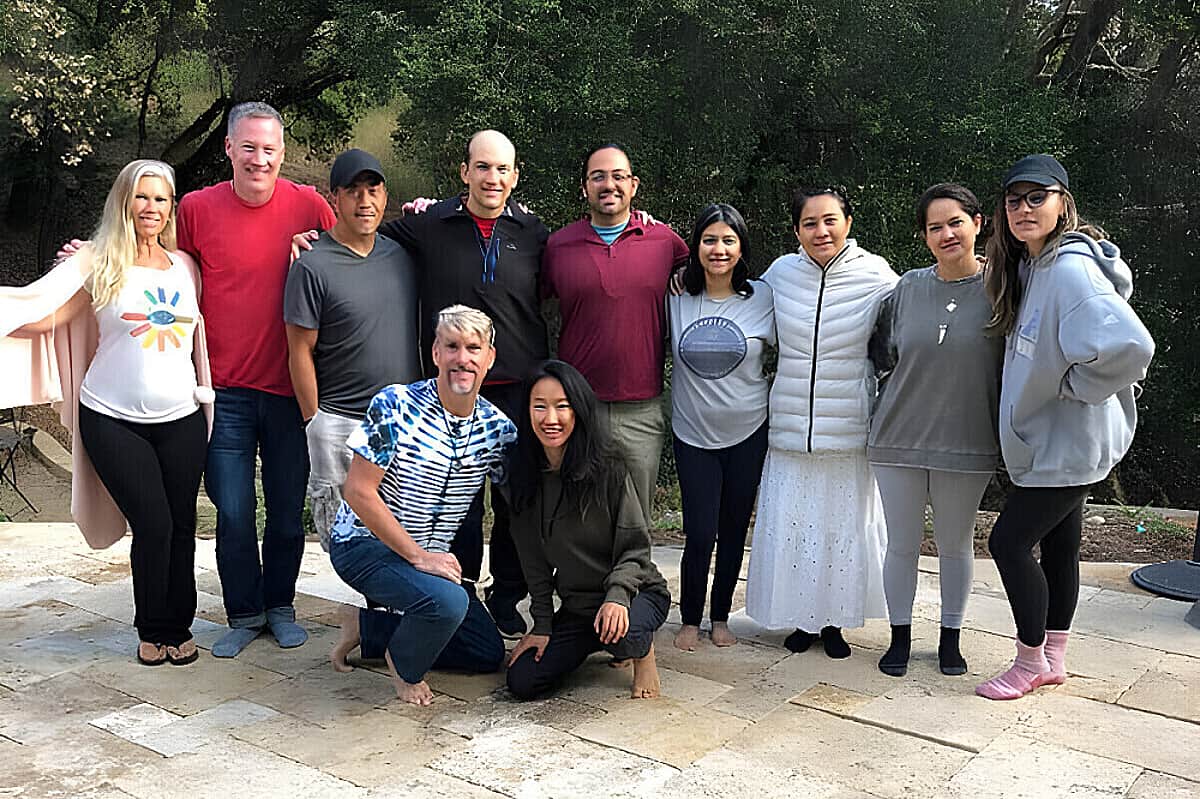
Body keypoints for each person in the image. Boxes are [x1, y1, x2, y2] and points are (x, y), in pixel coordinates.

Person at [299, 130, 547, 636]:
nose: (491, 178)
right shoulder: (427, 225)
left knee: (514, 499)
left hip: (515, 389)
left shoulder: (538, 236)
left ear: (515, 176)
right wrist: (314, 238)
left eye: (502, 169)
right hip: (448, 386)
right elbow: (360, 232)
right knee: (455, 497)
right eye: (481, 167)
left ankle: (507, 597)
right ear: (465, 172)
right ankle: (459, 588)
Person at [2, 160, 211, 666]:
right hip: (112, 417)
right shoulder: (96, 262)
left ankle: (178, 625)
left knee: (183, 524)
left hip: (182, 417)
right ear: (123, 201)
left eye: (161, 199)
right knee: (154, 523)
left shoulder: (185, 266)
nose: (151, 209)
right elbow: (39, 313)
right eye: (142, 197)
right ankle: (151, 626)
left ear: (171, 207)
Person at [975, 154, 1154, 700]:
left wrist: (1076, 386)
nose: (1024, 208)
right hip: (1059, 444)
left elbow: (1130, 346)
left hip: (1067, 446)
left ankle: (1029, 661)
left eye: (1038, 197)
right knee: (1059, 548)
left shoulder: (1070, 269)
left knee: (1008, 542)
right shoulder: (1034, 266)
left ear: (1062, 204)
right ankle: (1052, 655)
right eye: (1014, 199)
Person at [175, 102, 337, 658]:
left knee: (287, 508)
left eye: (269, 149)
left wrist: (422, 215)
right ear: (228, 149)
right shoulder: (196, 209)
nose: (259, 159)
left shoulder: (309, 206)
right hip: (225, 393)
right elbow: (151, 262)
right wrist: (91, 254)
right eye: (248, 147)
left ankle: (281, 606)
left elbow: (359, 251)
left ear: (283, 153)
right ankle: (244, 612)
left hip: (292, 390)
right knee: (235, 510)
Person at [327, 306, 514, 706]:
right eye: (451, 346)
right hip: (363, 544)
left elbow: (521, 502)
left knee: (487, 653)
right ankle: (405, 666)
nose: (462, 358)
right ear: (435, 353)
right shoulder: (395, 404)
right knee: (449, 603)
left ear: (489, 358)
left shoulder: (498, 429)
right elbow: (358, 492)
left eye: (472, 348)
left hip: (424, 560)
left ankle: (368, 628)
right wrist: (419, 556)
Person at [744, 186, 898, 658]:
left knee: (841, 533)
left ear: (848, 222)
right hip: (790, 427)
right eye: (810, 223)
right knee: (795, 529)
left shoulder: (877, 275)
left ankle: (834, 623)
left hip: (849, 428)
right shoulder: (780, 275)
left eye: (830, 220)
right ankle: (801, 619)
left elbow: (906, 333)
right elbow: (735, 301)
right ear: (796, 231)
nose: (821, 231)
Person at [867, 184, 1002, 677]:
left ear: (977, 223)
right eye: (935, 227)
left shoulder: (1003, 288)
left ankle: (950, 637)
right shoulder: (906, 288)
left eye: (955, 223)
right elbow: (880, 355)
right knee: (900, 543)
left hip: (966, 442)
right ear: (923, 236)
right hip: (897, 438)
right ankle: (899, 637)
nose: (947, 234)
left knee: (955, 544)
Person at [541, 144, 690, 526]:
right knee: (580, 516)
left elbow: (707, 271)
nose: (609, 185)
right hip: (579, 408)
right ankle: (583, 588)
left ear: (634, 185)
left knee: (636, 519)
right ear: (584, 187)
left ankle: (637, 585)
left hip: (642, 408)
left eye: (619, 176)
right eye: (598, 176)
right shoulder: (558, 246)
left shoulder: (663, 241)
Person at [504, 360, 669, 700]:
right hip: (581, 610)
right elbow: (533, 564)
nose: (551, 418)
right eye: (540, 407)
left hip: (637, 594)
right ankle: (603, 639)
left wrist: (618, 597)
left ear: (578, 410)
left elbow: (635, 548)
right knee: (522, 681)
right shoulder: (522, 478)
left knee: (626, 632)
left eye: (562, 406)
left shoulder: (608, 468)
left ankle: (640, 649)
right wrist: (543, 626)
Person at [283, 148, 421, 551]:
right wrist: (315, 421)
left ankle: (388, 616)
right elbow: (298, 351)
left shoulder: (402, 257)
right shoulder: (312, 265)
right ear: (334, 199)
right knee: (346, 546)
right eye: (353, 191)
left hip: (400, 422)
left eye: (373, 190)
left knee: (403, 535)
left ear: (385, 195)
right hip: (340, 425)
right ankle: (360, 615)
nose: (365, 201)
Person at [667, 204, 774, 651]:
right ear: (696, 246)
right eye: (709, 239)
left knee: (733, 530)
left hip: (749, 430)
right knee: (700, 531)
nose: (719, 249)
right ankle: (690, 617)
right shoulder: (674, 295)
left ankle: (721, 616)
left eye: (729, 240)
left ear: (741, 248)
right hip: (692, 434)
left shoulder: (763, 296)